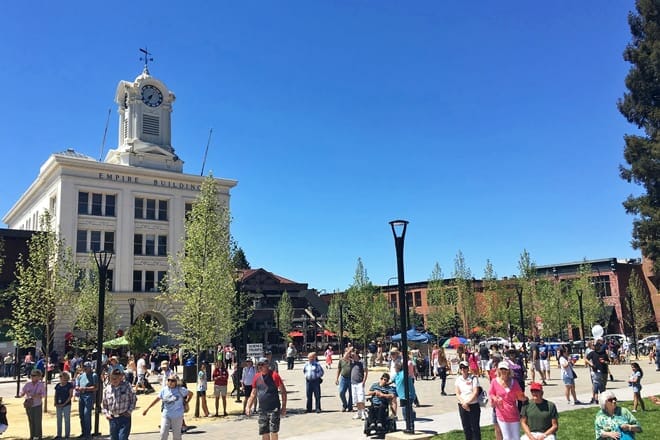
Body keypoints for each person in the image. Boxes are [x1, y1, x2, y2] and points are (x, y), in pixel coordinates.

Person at [246, 357, 287, 440]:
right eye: (258, 365)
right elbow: (253, 394)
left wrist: (284, 407)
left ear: (267, 365)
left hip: (274, 408)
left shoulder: (274, 375)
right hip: (262, 409)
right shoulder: (256, 377)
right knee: (264, 431)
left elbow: (283, 392)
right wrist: (248, 406)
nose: (260, 367)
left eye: (262, 365)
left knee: (273, 431)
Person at [143, 373, 191, 440]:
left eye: (172, 380)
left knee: (176, 436)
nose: (170, 382)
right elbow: (156, 400)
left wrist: (186, 402)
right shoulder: (164, 390)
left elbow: (191, 394)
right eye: (169, 380)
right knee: (163, 434)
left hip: (177, 416)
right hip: (166, 415)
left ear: (176, 382)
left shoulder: (180, 389)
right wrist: (147, 409)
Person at [489, 362, 527, 440]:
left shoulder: (514, 382)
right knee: (507, 437)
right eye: (501, 369)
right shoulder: (494, 382)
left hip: (513, 414)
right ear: (498, 370)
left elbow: (520, 396)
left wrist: (523, 397)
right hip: (502, 414)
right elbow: (491, 393)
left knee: (516, 438)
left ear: (509, 370)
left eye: (505, 369)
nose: (503, 371)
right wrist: (495, 398)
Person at [102, 368, 136, 440]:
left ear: (120, 377)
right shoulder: (107, 389)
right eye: (112, 378)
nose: (114, 380)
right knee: (114, 438)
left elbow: (133, 399)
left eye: (116, 378)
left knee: (122, 438)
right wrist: (106, 414)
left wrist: (129, 411)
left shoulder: (127, 386)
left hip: (124, 417)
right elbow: (104, 404)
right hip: (113, 418)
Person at [454, 360, 481, 440]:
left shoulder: (473, 378)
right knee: (466, 427)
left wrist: (467, 402)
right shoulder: (458, 379)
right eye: (461, 368)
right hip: (462, 405)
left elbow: (475, 392)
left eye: (465, 367)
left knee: (475, 427)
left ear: (468, 368)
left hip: (473, 405)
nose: (463, 369)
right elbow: (457, 393)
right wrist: (464, 403)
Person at [20, 369, 46, 440]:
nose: (32, 377)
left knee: (37, 421)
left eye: (34, 375)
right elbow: (22, 391)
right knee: (31, 421)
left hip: (37, 405)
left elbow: (44, 395)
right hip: (29, 405)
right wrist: (22, 394)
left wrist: (37, 396)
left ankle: (38, 436)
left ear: (38, 377)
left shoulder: (41, 385)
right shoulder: (28, 384)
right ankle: (32, 435)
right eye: (31, 375)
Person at [75, 361, 98, 440]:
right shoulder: (81, 375)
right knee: (81, 415)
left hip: (89, 396)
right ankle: (83, 432)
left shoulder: (94, 375)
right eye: (84, 366)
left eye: (87, 367)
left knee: (86, 414)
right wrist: (78, 387)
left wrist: (85, 388)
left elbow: (96, 387)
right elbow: (77, 384)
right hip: (81, 396)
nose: (85, 368)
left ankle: (88, 434)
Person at [54, 371, 74, 439]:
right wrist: (55, 402)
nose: (60, 378)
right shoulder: (57, 385)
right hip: (58, 405)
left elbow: (70, 395)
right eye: (60, 377)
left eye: (61, 376)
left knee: (66, 420)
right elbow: (56, 394)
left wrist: (64, 403)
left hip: (66, 405)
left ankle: (67, 435)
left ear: (65, 377)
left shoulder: (69, 385)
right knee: (59, 420)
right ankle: (59, 435)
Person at [349, 349, 368, 420]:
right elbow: (344, 357)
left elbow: (366, 371)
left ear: (357, 354)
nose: (352, 356)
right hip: (353, 383)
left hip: (360, 382)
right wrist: (349, 350)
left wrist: (364, 381)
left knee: (361, 398)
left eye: (353, 354)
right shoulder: (352, 362)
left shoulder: (362, 362)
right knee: (356, 399)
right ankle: (358, 412)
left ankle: (363, 412)